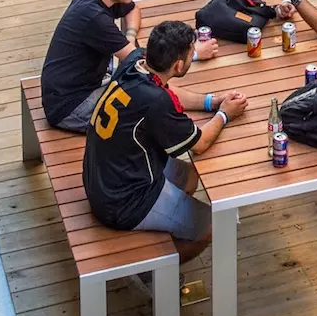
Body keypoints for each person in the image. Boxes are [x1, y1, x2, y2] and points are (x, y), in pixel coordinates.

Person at [83, 20, 244, 260]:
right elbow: (199, 144)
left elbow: (167, 90)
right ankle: (156, 276)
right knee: (219, 225)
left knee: (190, 176)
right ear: (178, 65)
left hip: (102, 175)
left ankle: (170, 224)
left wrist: (212, 102)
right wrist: (225, 115)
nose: (193, 56)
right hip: (123, 202)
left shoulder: (135, 62)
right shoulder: (157, 103)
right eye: (192, 53)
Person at [40, 0, 160, 131]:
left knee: (145, 92)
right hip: (71, 106)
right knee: (146, 114)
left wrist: (130, 35)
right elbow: (141, 61)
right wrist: (195, 53)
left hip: (82, 85)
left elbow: (133, 10)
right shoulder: (94, 17)